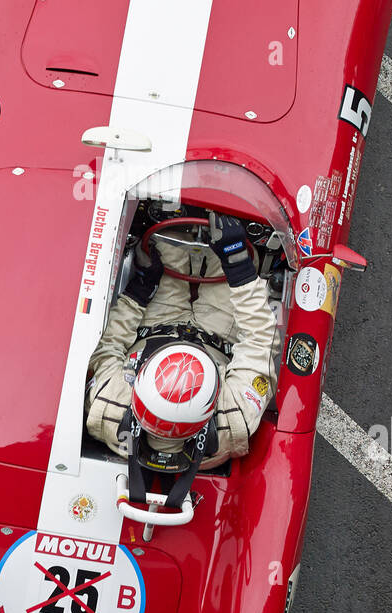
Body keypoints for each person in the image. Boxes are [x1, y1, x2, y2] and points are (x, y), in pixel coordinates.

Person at [85, 213, 279, 505]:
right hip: (219, 331)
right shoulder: (235, 419)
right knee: (232, 243)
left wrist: (137, 294)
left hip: (151, 318)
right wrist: (238, 268)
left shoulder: (105, 407)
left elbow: (107, 347)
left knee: (164, 235)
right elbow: (259, 343)